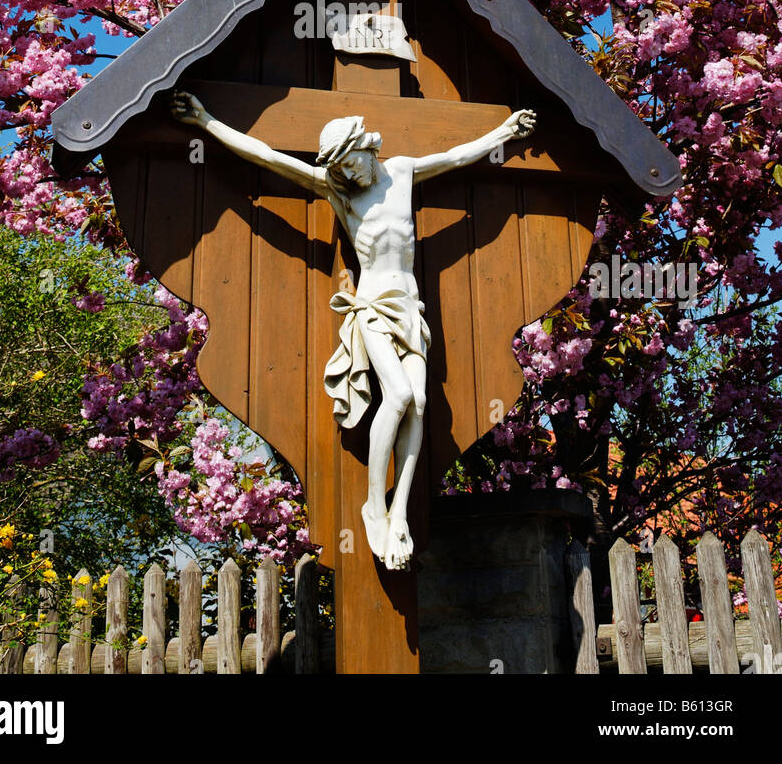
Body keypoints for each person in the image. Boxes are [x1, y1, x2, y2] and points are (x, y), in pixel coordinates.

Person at [171, 89, 536, 571]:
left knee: (421, 404)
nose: (345, 175)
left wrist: (506, 133)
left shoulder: (403, 172)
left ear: (368, 148)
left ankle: (398, 511)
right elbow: (268, 158)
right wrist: (206, 121)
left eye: (349, 164)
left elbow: (455, 156)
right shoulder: (339, 192)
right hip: (371, 307)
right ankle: (373, 505)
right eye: (338, 169)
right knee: (401, 396)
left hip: (410, 308)